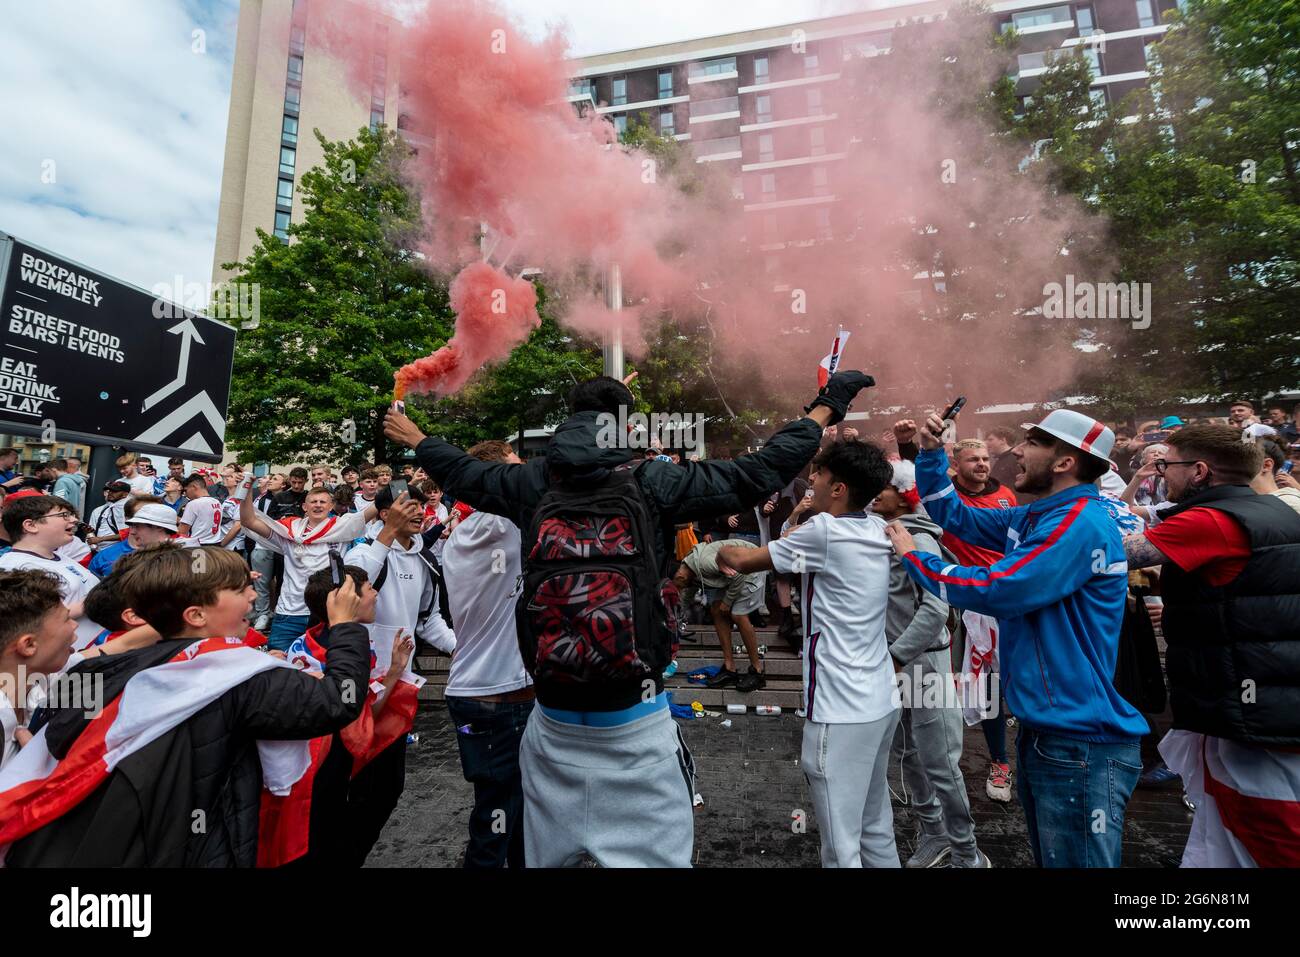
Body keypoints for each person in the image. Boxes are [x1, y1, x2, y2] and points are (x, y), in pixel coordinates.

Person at [386, 370, 874, 867]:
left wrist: (418, 438)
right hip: (635, 727)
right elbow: (761, 470)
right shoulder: (656, 480)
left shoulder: (529, 482)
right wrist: (826, 406)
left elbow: (462, 472)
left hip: (550, 723)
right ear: (624, 427)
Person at [0, 543, 371, 867]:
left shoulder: (97, 668)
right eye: (239, 589)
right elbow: (340, 701)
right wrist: (344, 625)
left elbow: (63, 739)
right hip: (199, 847)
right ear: (196, 615)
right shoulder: (241, 677)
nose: (253, 596)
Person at [888, 407, 1147, 868]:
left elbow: (999, 589)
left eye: (1032, 443)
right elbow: (952, 514)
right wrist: (930, 454)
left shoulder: (1076, 523)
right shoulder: (1037, 516)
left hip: (1078, 740)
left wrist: (915, 559)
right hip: (1054, 731)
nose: (1016, 452)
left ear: (1065, 461)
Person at [1121, 425, 1300, 867]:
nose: (1162, 474)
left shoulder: (1207, 521)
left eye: (1167, 466)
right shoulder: (1275, 512)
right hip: (1270, 693)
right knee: (1228, 828)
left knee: (1266, 830)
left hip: (1251, 705)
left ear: (1199, 471)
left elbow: (1110, 554)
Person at [718, 439, 899, 868]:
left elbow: (743, 561)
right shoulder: (874, 528)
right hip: (881, 699)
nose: (811, 480)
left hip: (841, 707)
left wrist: (720, 550)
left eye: (818, 474)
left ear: (838, 488)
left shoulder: (825, 532)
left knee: (840, 845)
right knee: (875, 826)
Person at [871, 460, 987, 868]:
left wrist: (897, 655)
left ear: (903, 495)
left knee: (940, 765)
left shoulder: (918, 540)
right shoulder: (884, 534)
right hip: (900, 665)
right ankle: (935, 834)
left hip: (924, 664)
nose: (875, 492)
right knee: (907, 756)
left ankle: (968, 854)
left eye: (883, 487)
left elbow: (936, 607)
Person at [895, 423, 1019, 803]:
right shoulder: (944, 497)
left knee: (992, 685)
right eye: (973, 459)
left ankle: (1000, 762)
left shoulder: (1007, 498)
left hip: (996, 604)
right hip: (954, 602)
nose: (982, 465)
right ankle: (941, 763)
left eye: (985, 458)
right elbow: (912, 480)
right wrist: (908, 444)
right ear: (955, 464)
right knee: (947, 685)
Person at [439, 439, 534, 868]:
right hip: (500, 699)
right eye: (515, 470)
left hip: (477, 690)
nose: (526, 478)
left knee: (509, 814)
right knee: (497, 822)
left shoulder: (464, 532)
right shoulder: (503, 527)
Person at [289, 565, 416, 867]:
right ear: (348, 600)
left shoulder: (325, 641)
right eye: (370, 588)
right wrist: (394, 675)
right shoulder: (332, 654)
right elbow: (360, 718)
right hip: (328, 780)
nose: (375, 594)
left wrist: (396, 669)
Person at [238, 482, 379, 651]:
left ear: (331, 506)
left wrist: (396, 491)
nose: (318, 505)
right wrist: (246, 488)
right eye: (313, 502)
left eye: (322, 502)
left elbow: (375, 508)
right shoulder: (288, 531)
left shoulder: (343, 526)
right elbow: (248, 520)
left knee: (324, 667)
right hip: (289, 614)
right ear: (305, 506)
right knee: (281, 663)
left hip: (327, 612)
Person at [0, 569, 78, 771]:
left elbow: (108, 653)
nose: (75, 625)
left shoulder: (36, 680)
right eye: (66, 619)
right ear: (28, 645)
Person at [0, 495, 101, 650]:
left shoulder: (60, 556)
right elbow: (25, 620)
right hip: (65, 666)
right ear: (31, 525)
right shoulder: (13, 567)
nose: (74, 520)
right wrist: (94, 602)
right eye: (64, 515)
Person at [675, 539, 767, 692]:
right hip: (730, 574)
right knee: (716, 610)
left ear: (681, 577)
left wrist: (728, 601)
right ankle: (729, 669)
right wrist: (675, 621)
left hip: (750, 565)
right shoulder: (688, 571)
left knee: (738, 614)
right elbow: (685, 597)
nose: (682, 589)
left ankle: (757, 672)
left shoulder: (704, 564)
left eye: (680, 586)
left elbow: (738, 575)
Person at [87, 502, 178, 578]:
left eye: (137, 526)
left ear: (158, 527)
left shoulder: (183, 560)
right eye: (132, 526)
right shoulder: (106, 555)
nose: (132, 532)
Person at [1251, 438, 1300, 516]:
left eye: (1297, 458)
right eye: (1289, 457)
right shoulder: (1281, 477)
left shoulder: (1292, 501)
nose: (1291, 461)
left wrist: (1298, 488)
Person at [177, 473, 224, 545]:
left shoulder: (193, 504)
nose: (185, 494)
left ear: (194, 487)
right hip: (216, 544)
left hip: (199, 545)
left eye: (186, 490)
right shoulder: (217, 502)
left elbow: (182, 532)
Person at [86, 481, 131, 551]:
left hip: (115, 550)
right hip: (101, 550)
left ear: (125, 494)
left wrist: (101, 539)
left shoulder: (122, 508)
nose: (110, 493)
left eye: (115, 491)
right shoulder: (110, 506)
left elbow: (126, 534)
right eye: (109, 490)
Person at [985, 426, 1021, 491]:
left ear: (1002, 440)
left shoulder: (1017, 459)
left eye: (990, 440)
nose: (986, 443)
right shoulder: (1000, 460)